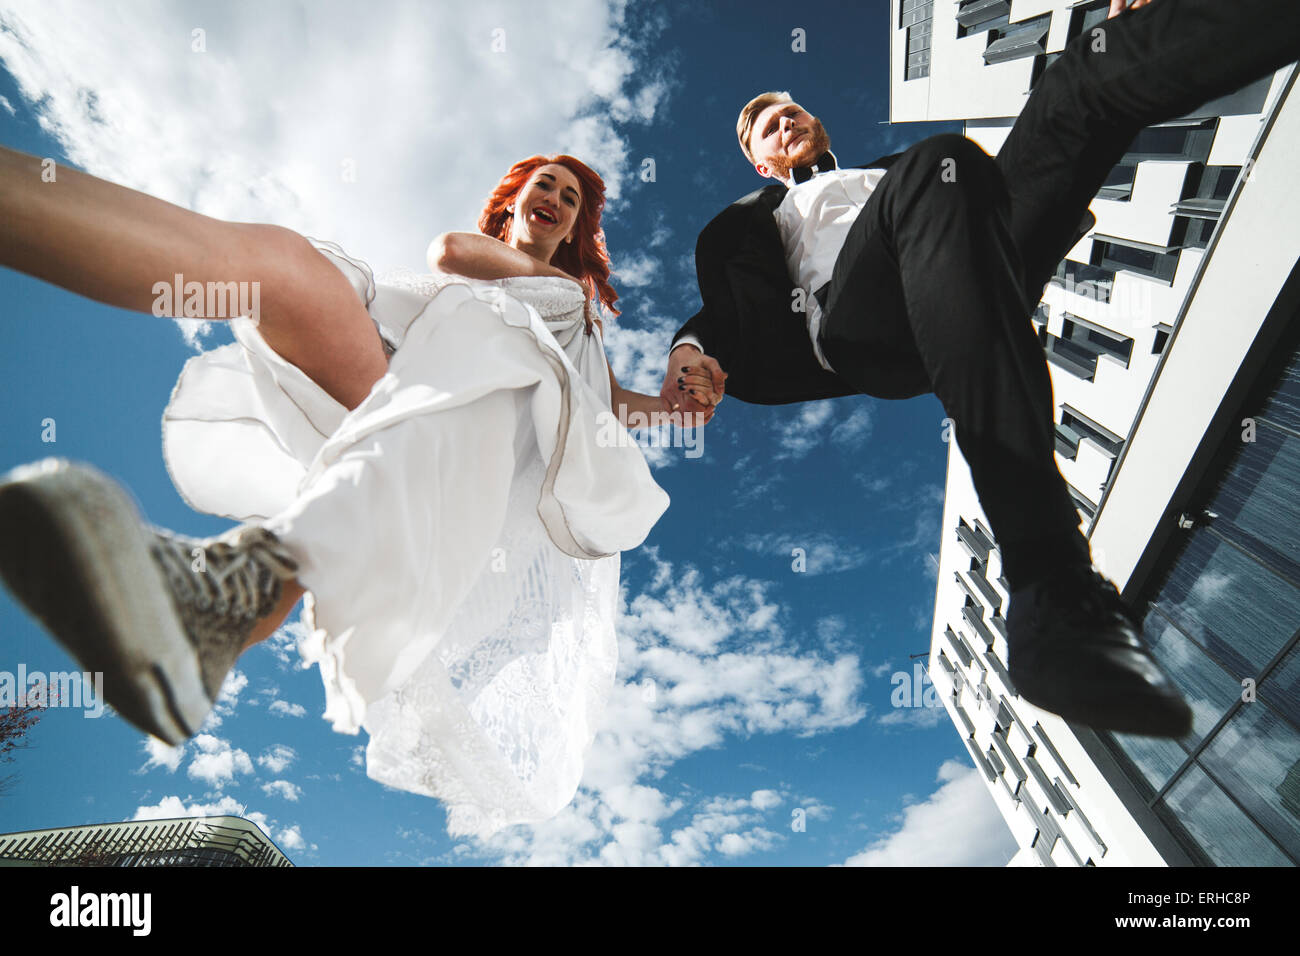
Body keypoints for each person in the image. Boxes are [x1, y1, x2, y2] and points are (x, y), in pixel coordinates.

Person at [661, 0, 1300, 738]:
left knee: (1084, 76)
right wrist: (691, 355)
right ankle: (1052, 586)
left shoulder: (888, 171)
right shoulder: (758, 219)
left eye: (792, 109)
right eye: (767, 126)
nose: (785, 120)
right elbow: (720, 315)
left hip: (962, 242)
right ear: (760, 160)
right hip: (863, 321)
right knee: (945, 164)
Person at [0, 150, 671, 839]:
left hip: (478, 447)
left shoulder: (576, 323)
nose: (557, 198)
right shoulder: (516, 267)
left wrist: (677, 402)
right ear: (512, 203)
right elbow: (451, 252)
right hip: (408, 367)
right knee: (282, 269)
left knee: (472, 395)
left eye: (571, 198)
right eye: (544, 186)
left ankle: (232, 593)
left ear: (576, 227)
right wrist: (567, 284)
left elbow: (608, 404)